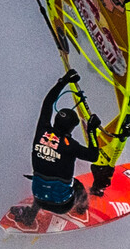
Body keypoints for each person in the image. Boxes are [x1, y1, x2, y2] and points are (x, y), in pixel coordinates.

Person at [27, 72, 100, 222]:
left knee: (44, 174)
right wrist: (91, 131)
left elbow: (47, 103)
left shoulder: (42, 130)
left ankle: (31, 215)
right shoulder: (71, 146)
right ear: (71, 128)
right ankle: (81, 209)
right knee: (78, 185)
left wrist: (63, 81)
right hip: (62, 206)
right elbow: (94, 156)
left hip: (39, 199)